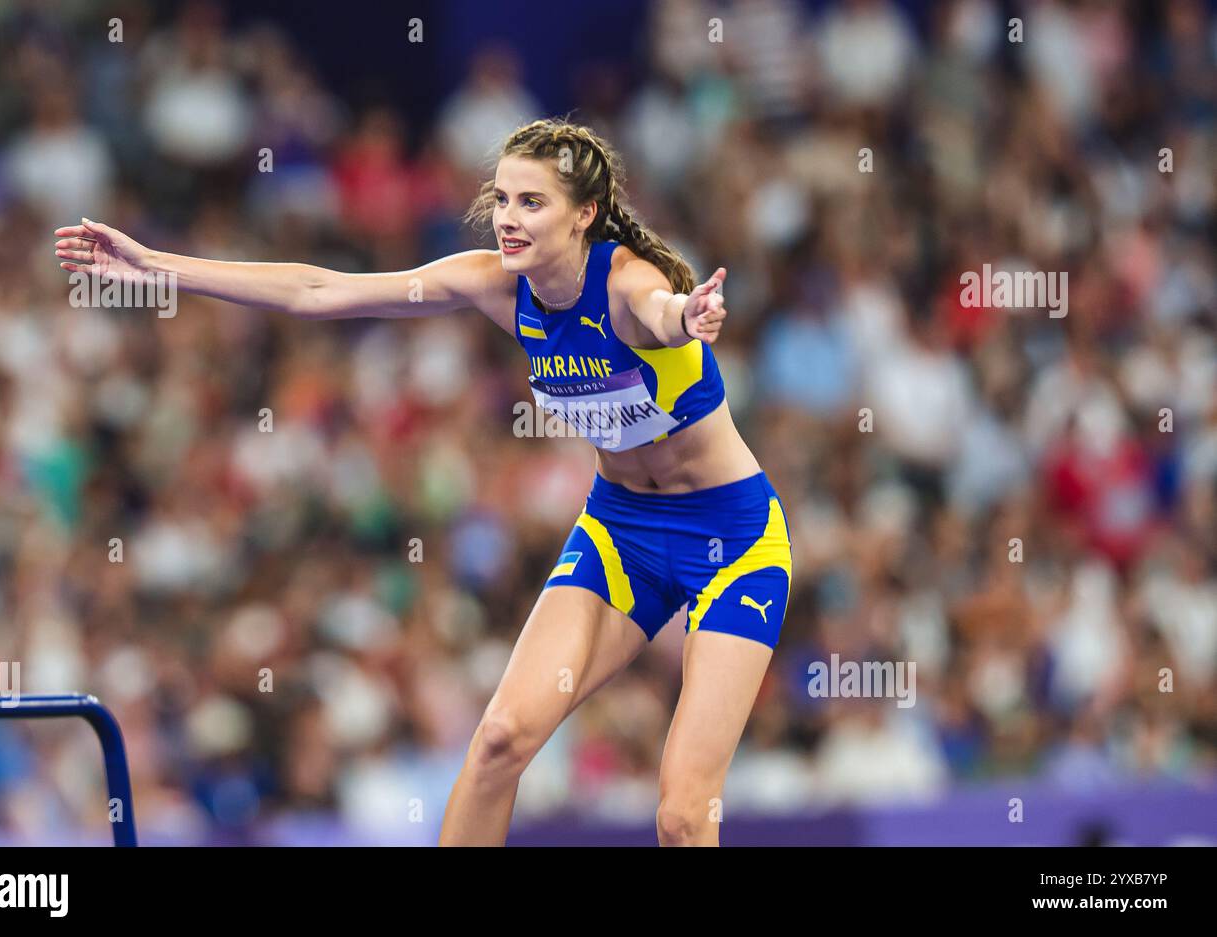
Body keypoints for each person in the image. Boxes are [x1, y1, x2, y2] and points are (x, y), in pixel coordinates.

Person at [54, 117, 793, 846]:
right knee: (500, 739)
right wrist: (156, 265)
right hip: (621, 531)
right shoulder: (496, 287)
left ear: (586, 214)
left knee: (682, 815)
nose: (507, 218)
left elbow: (658, 314)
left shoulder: (630, 281)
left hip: (731, 538)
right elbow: (318, 291)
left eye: (531, 202)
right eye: (501, 199)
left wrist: (686, 313)